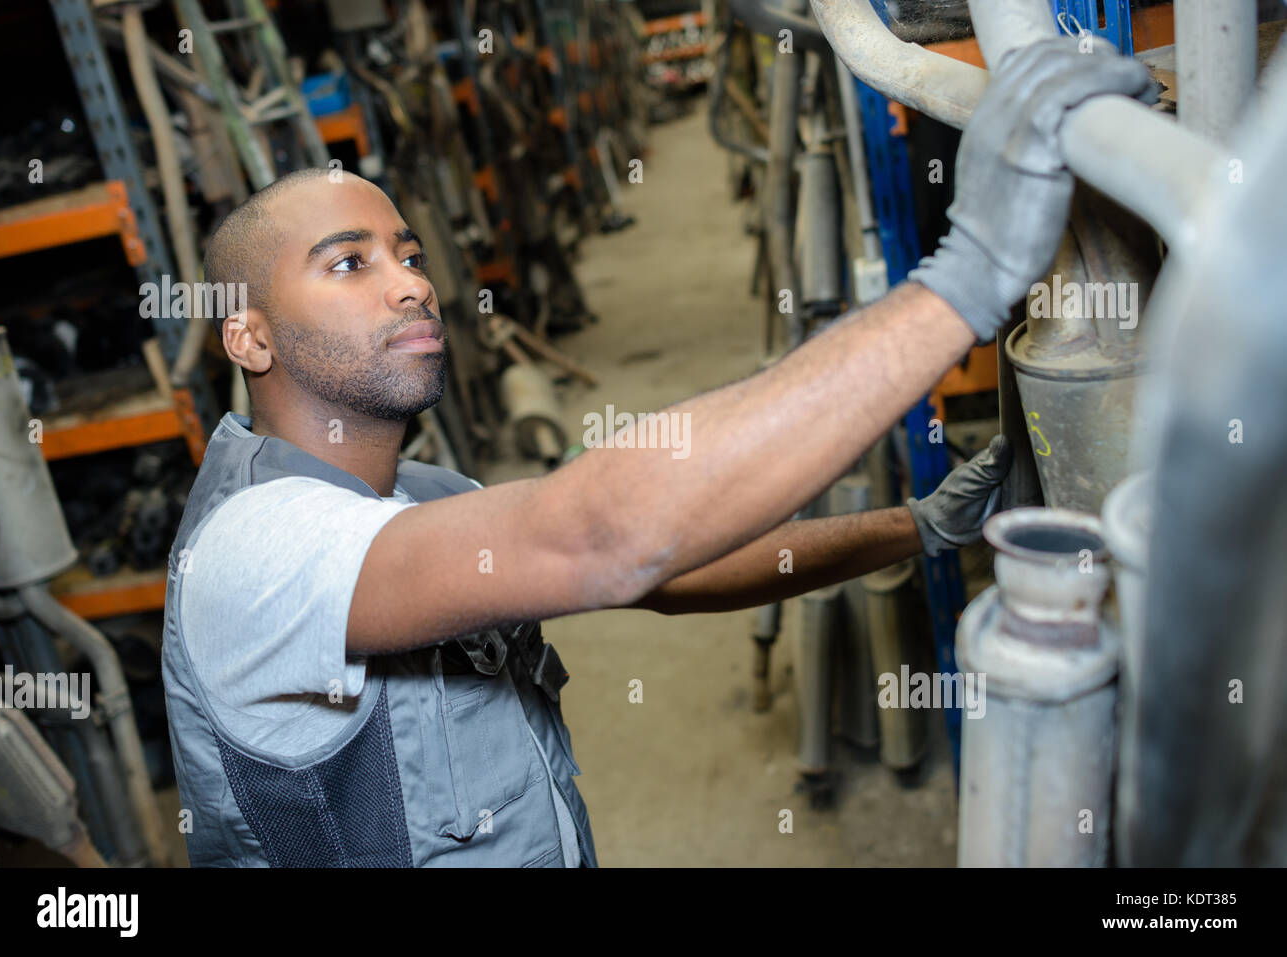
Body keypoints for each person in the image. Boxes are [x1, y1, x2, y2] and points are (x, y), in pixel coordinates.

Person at [161, 38, 1153, 867]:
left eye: (409, 254)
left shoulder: (422, 496)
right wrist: (969, 276)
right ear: (246, 337)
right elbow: (606, 536)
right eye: (349, 263)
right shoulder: (255, 552)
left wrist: (922, 526)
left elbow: (666, 573)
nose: (412, 284)